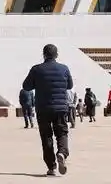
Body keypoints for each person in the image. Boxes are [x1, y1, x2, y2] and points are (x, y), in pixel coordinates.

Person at [22, 43, 73, 177]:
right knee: (62, 133)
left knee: (46, 137)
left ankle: (51, 167)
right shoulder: (64, 69)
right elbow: (70, 85)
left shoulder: (36, 69)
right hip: (61, 108)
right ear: (56, 55)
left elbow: (26, 86)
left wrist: (38, 83)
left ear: (44, 54)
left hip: (43, 108)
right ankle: (62, 153)